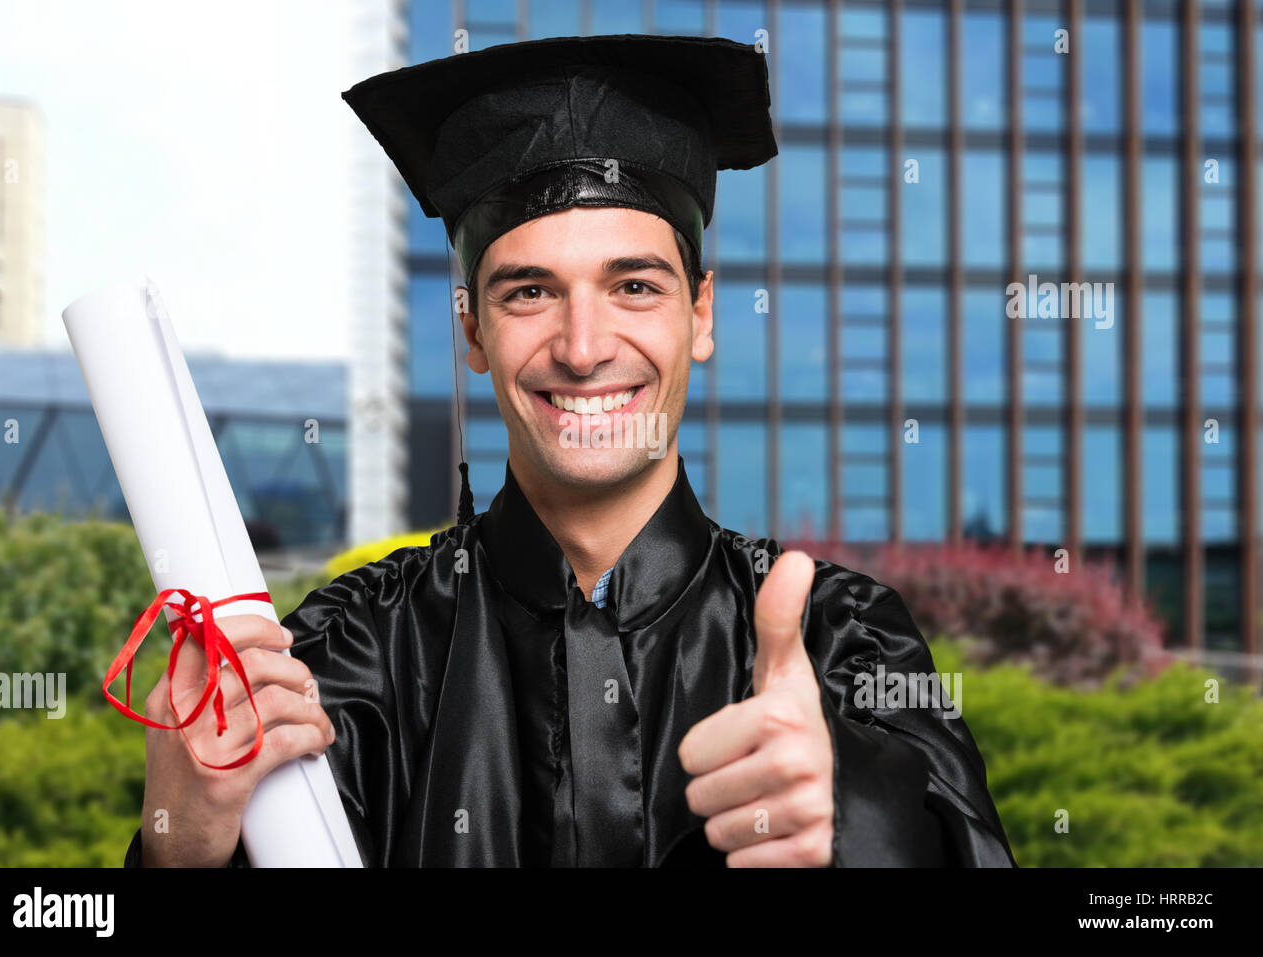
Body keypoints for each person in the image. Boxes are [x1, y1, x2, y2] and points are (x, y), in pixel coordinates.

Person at [124, 34, 1015, 868]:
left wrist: (857, 816)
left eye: (633, 285)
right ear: (471, 329)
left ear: (700, 313)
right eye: (528, 292)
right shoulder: (355, 657)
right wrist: (178, 844)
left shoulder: (843, 638)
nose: (583, 346)